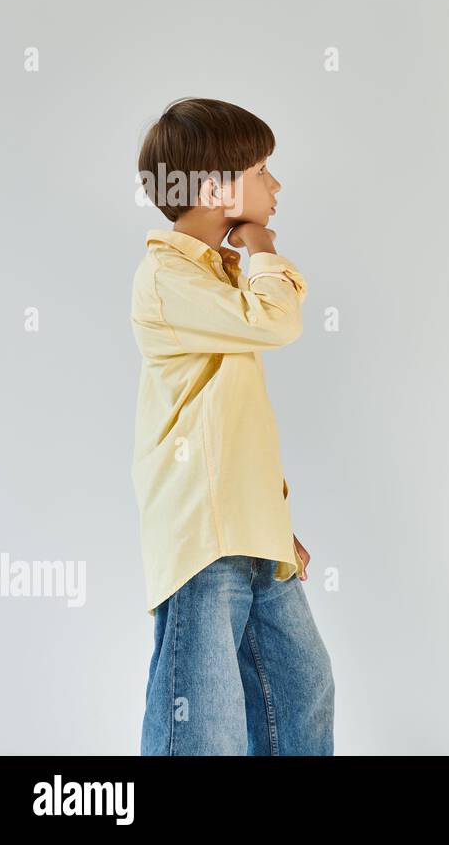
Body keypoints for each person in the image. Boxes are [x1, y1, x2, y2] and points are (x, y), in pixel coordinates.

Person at [130, 97, 333, 755]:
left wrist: (271, 520)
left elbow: (231, 420)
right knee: (203, 722)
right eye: (263, 170)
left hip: (250, 534)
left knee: (302, 693)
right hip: (202, 540)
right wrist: (265, 245)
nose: (276, 186)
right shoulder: (165, 278)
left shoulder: (216, 279)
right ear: (218, 187)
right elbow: (276, 321)